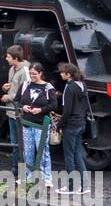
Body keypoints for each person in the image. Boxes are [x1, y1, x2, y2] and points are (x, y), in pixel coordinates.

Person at [17, 62, 56, 188]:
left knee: (43, 150)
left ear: (40, 73)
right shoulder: (25, 85)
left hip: (41, 124)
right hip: (27, 123)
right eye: (30, 73)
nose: (32, 76)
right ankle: (28, 175)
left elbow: (54, 105)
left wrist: (40, 110)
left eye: (34, 74)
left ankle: (47, 177)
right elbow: (17, 100)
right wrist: (23, 107)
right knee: (27, 151)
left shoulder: (48, 87)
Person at [55, 63, 90, 195]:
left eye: (62, 72)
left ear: (68, 74)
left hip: (71, 125)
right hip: (81, 123)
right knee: (77, 155)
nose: (60, 74)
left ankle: (71, 187)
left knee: (69, 155)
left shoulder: (69, 88)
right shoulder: (82, 85)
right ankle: (84, 186)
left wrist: (59, 125)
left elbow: (67, 110)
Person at [0, 45, 30, 181]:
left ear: (16, 59)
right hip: (11, 111)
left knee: (21, 142)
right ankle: (16, 167)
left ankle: (20, 169)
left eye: (8, 57)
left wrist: (9, 97)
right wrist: (7, 87)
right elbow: (15, 87)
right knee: (14, 141)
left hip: (19, 112)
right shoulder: (12, 69)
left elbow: (25, 91)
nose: (6, 59)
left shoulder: (25, 71)